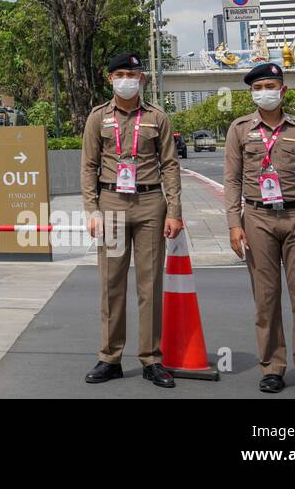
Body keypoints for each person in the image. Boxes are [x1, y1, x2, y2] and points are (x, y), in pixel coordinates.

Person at [224, 62, 295, 398]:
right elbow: (231, 180)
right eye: (258, 88)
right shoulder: (240, 129)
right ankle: (272, 367)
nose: (264, 93)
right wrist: (233, 223)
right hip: (257, 219)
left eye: (270, 86)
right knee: (266, 298)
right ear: (251, 93)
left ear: (283, 90)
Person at [80, 53, 184, 388]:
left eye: (133, 74)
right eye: (120, 74)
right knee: (111, 284)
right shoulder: (98, 118)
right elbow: (88, 166)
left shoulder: (157, 117)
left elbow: (170, 165)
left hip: (151, 203)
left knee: (149, 285)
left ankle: (151, 358)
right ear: (110, 79)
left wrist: (174, 211)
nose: (127, 79)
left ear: (142, 79)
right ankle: (110, 358)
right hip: (111, 202)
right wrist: (91, 209)